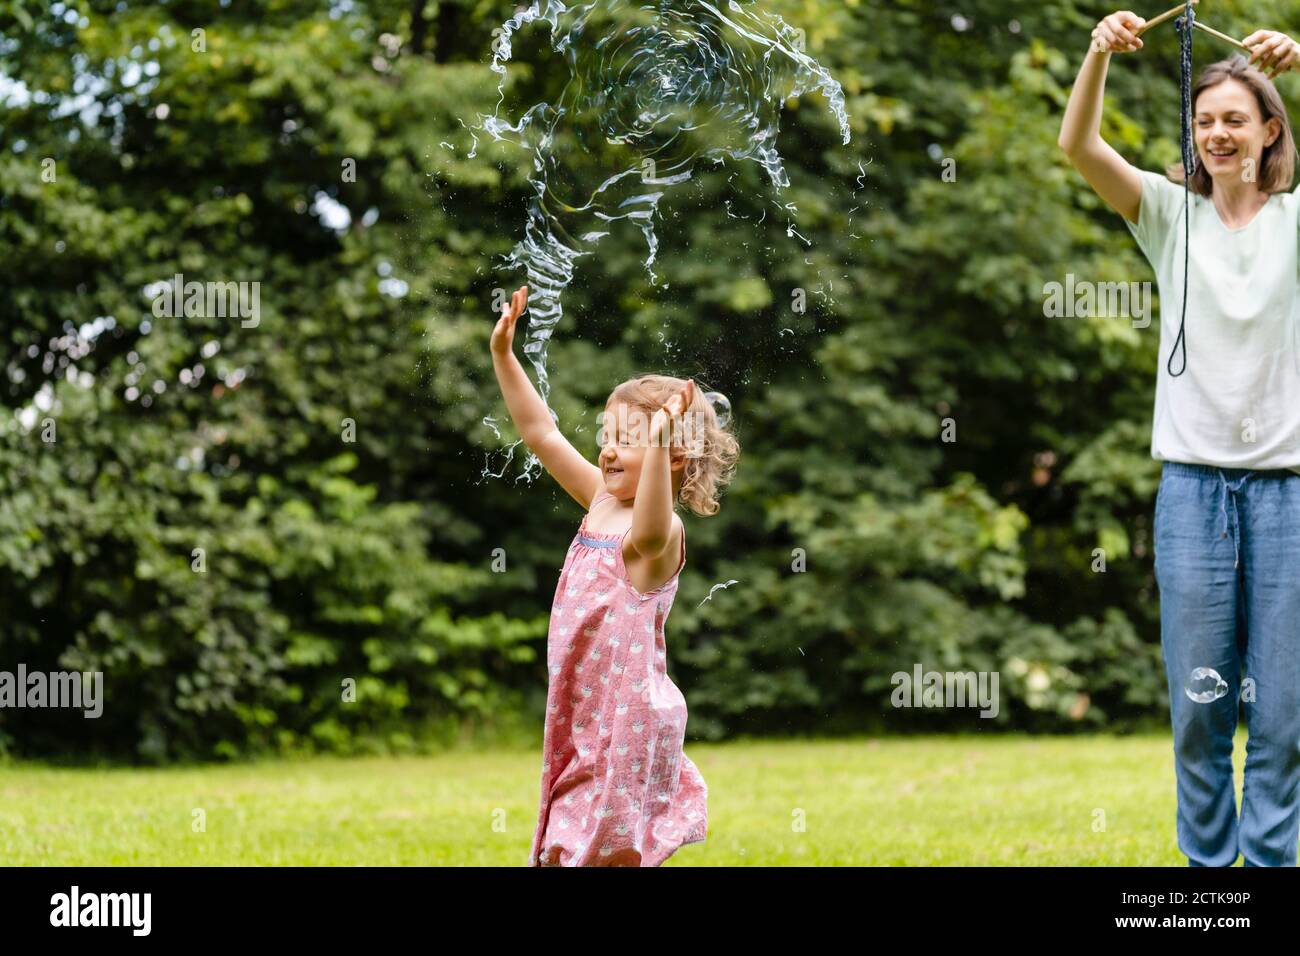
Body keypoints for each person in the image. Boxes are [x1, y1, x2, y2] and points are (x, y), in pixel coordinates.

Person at [1058, 10, 1300, 866]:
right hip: (1194, 492)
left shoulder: (1295, 220)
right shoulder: (1168, 214)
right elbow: (1079, 146)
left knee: (1282, 713)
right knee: (1200, 708)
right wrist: (1097, 52)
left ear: (1271, 128)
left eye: (1235, 118)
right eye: (1204, 121)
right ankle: (1207, 879)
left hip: (1288, 494)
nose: (1217, 133)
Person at [489, 284, 740, 865]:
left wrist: (654, 445)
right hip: (581, 710)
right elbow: (542, 433)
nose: (608, 450)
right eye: (609, 435)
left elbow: (651, 529)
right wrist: (505, 354)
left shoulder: (659, 532)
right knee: (566, 840)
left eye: (628, 440)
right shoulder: (600, 501)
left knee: (604, 847)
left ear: (672, 456)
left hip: (627, 722)